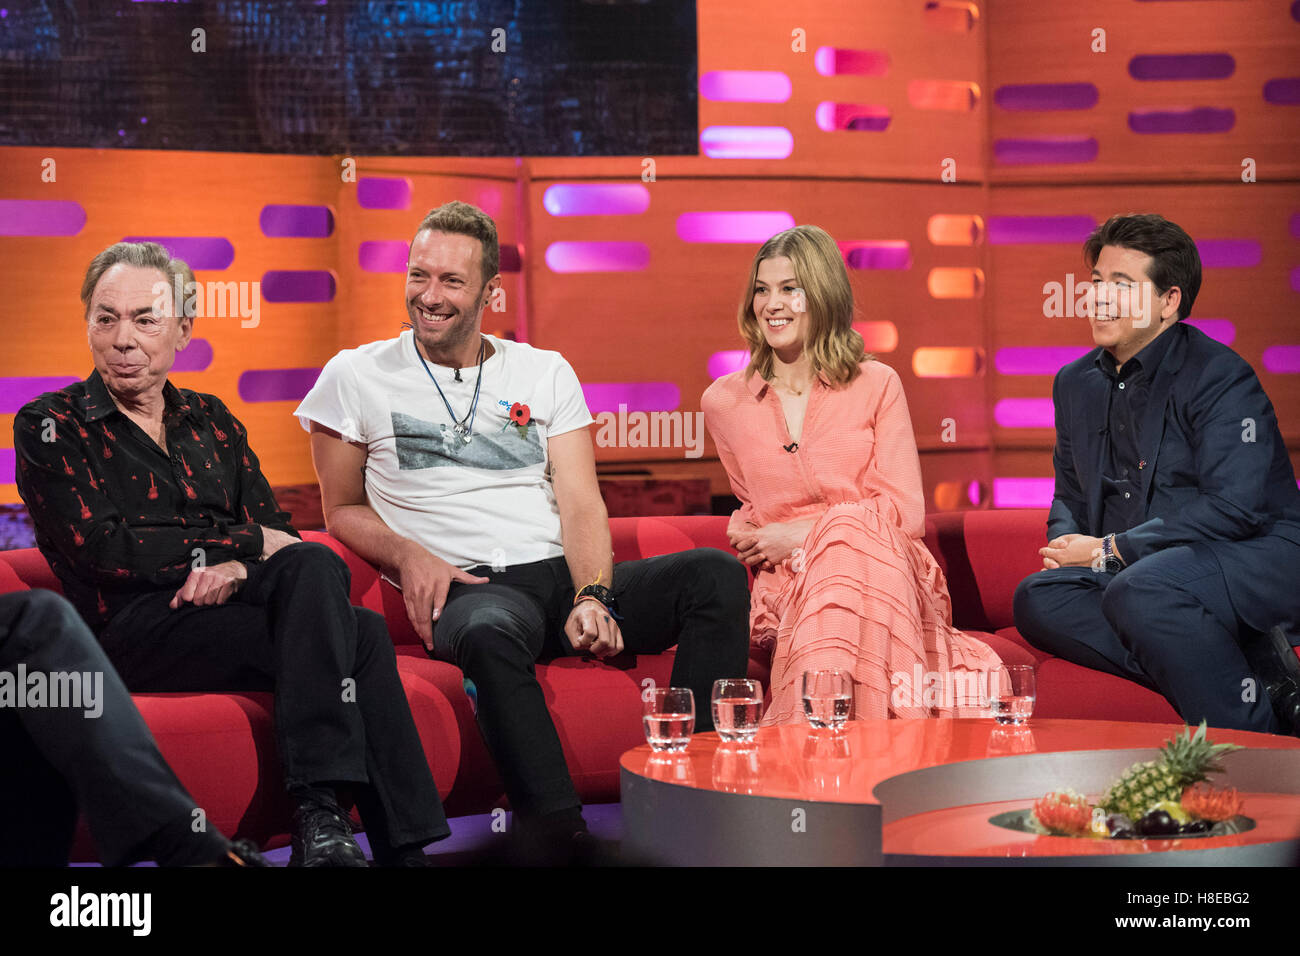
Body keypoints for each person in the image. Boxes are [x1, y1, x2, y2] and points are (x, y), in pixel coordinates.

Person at [296, 201, 750, 856]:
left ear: (490, 292)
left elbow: (581, 503)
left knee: (714, 575)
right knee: (484, 631)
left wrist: (595, 594)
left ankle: (697, 797)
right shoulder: (355, 375)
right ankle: (561, 836)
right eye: (419, 275)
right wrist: (407, 555)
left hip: (557, 580)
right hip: (470, 589)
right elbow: (340, 508)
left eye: (451, 282)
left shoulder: (543, 371)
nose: (430, 296)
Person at [13, 241, 449, 866]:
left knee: (335, 593)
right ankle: (334, 819)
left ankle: (358, 838)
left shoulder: (212, 420)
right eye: (105, 318)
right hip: (131, 632)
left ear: (182, 329)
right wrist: (242, 546)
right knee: (357, 631)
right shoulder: (49, 424)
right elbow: (103, 550)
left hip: (230, 618)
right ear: (87, 323)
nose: (122, 339)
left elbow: (281, 536)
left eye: (145, 319)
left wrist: (239, 570)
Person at [701, 224, 1004, 726]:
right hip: (792, 585)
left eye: (790, 289)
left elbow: (906, 514)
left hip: (884, 566)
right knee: (835, 567)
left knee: (845, 549)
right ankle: (874, 764)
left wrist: (808, 532)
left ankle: (814, 760)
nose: (771, 305)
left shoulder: (876, 384)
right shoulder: (723, 402)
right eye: (762, 289)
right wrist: (757, 532)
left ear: (821, 296)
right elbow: (750, 503)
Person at [1013, 213, 1300, 734]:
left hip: (1256, 556)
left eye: (1121, 286)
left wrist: (1111, 551)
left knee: (1142, 590)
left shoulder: (1219, 376)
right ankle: (1249, 670)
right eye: (1097, 282)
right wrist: (1066, 547)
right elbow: (1071, 493)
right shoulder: (1074, 383)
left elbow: (1234, 509)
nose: (1099, 298)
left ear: (1169, 302)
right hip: (1141, 576)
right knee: (1037, 597)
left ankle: (1260, 743)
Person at [1, 589, 267, 867]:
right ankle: (189, 847)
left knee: (34, 683)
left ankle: (314, 818)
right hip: (139, 616)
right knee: (37, 621)